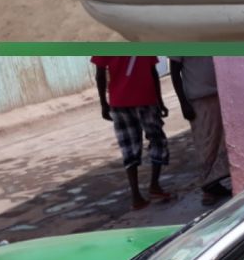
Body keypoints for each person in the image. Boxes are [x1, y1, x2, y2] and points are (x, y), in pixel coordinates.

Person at [92, 56, 174, 210]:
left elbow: (100, 74)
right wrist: (160, 101)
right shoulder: (143, 42)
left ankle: (136, 195)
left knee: (129, 148)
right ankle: (154, 186)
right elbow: (153, 72)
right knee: (157, 141)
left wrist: (104, 103)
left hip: (120, 102)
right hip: (146, 99)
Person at [169, 56, 233, 206]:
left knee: (223, 143)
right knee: (205, 146)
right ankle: (208, 189)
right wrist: (183, 103)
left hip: (219, 94)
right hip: (199, 100)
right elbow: (174, 72)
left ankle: (216, 184)